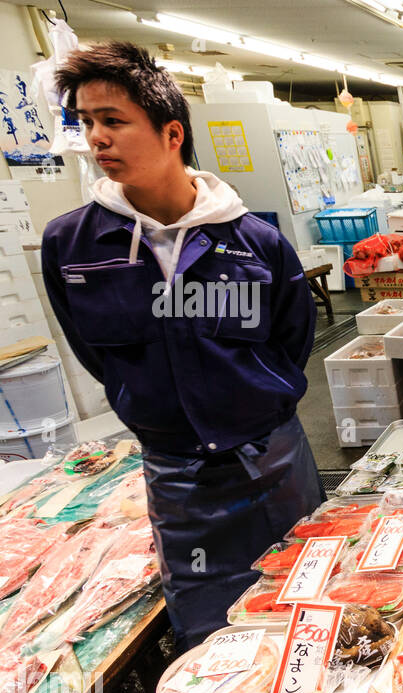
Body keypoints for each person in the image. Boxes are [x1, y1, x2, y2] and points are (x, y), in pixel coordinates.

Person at [41, 42, 323, 650]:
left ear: (172, 133)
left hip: (274, 459)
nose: (97, 140)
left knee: (315, 605)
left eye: (113, 121)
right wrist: (149, 405)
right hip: (176, 474)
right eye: (87, 123)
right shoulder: (72, 247)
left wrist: (255, 398)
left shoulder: (256, 242)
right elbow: (97, 354)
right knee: (210, 634)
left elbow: (292, 340)